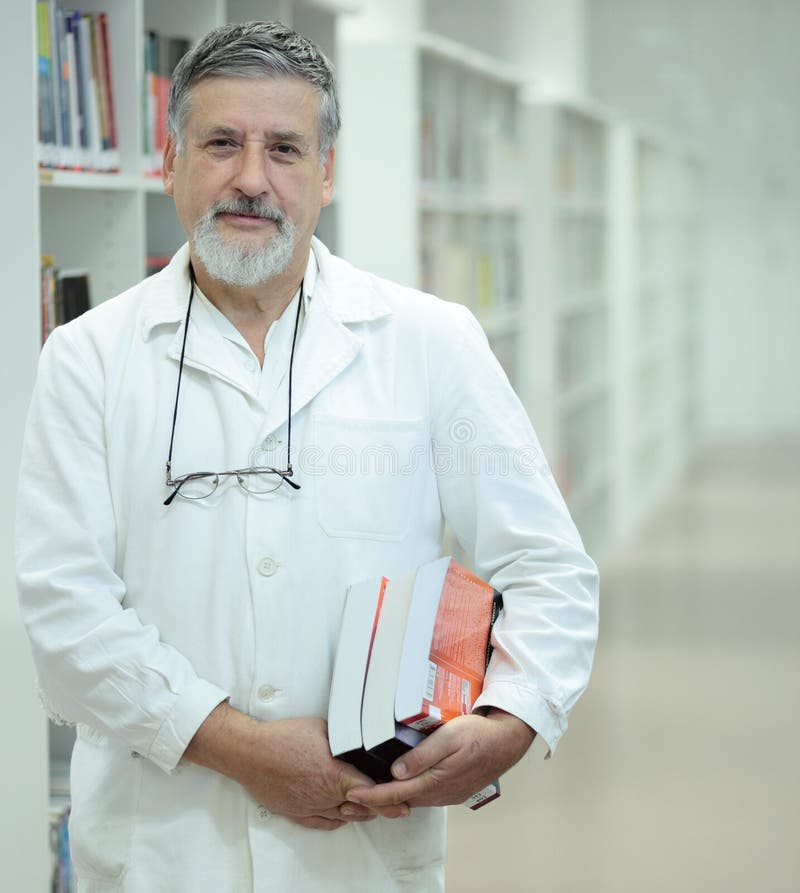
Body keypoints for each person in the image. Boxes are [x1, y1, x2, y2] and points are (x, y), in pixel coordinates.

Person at [16, 20, 599, 893]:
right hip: (161, 857)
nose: (252, 178)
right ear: (171, 161)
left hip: (363, 850)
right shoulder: (87, 357)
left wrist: (512, 719)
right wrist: (240, 748)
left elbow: (549, 568)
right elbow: (64, 611)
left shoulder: (430, 342)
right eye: (221, 143)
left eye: (284, 149)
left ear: (326, 173)